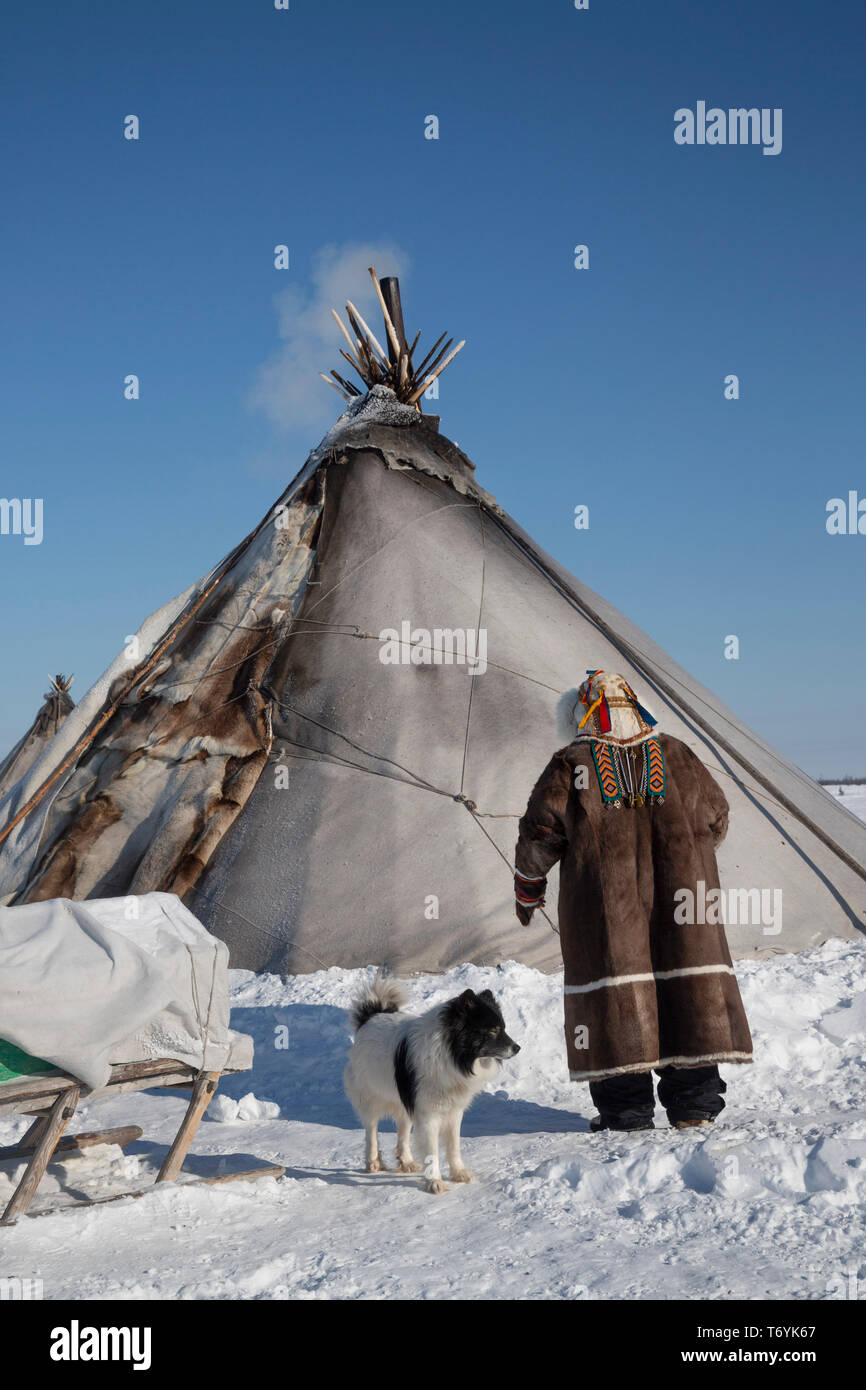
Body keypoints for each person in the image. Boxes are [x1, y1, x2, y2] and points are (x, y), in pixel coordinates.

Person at [514, 669, 752, 1132]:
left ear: (581, 714)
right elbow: (717, 816)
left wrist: (529, 887)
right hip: (687, 908)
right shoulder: (677, 755)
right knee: (687, 993)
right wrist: (688, 857)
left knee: (616, 998)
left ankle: (626, 1113)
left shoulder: (570, 763)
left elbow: (541, 834)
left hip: (606, 914)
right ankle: (694, 1108)